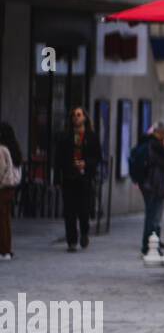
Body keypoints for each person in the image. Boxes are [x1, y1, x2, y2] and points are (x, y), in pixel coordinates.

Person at [55, 106, 103, 253]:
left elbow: (98, 157)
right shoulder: (64, 137)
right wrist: (57, 179)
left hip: (85, 179)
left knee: (83, 210)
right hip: (69, 178)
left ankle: (84, 232)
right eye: (74, 115)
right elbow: (58, 159)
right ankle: (71, 241)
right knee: (69, 211)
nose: (76, 117)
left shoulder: (92, 137)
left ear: (85, 118)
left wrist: (86, 163)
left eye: (79, 115)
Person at [135, 123, 164, 254]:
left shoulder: (152, 144)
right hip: (153, 185)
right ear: (160, 133)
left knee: (153, 216)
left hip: (151, 185)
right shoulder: (155, 145)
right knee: (153, 217)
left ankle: (151, 244)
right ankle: (149, 245)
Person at [0, 121, 21, 261]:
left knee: (2, 220)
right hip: (10, 188)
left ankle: (4, 250)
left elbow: (1, 170)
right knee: (5, 220)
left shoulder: (2, 149)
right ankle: (6, 249)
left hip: (2, 187)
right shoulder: (13, 148)